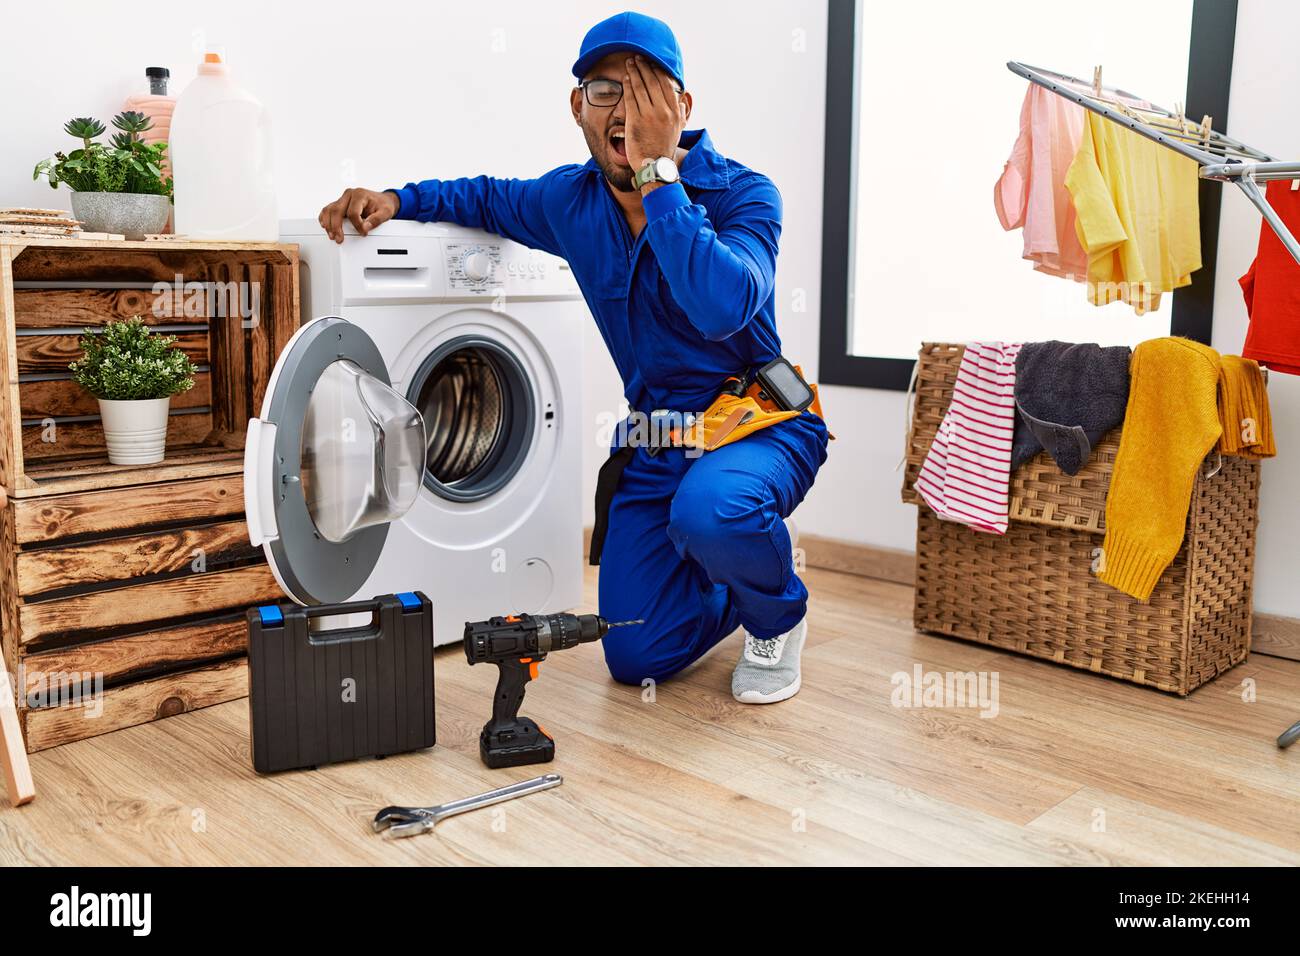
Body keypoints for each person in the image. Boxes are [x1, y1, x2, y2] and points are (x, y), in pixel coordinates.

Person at [318, 11, 829, 703]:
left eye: (649, 89)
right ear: (577, 108)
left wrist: (658, 176)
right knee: (636, 653)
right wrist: (397, 198)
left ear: (682, 107)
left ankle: (778, 613)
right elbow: (488, 198)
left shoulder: (745, 193)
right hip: (660, 437)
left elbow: (721, 305)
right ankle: (734, 582)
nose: (628, 109)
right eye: (605, 90)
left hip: (761, 422)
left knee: (714, 511)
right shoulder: (571, 200)